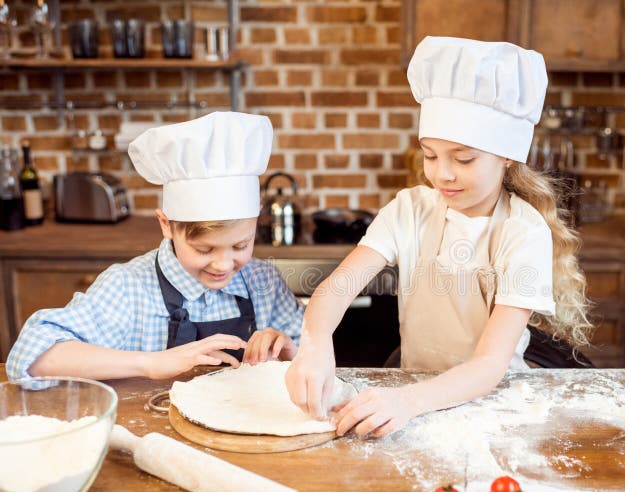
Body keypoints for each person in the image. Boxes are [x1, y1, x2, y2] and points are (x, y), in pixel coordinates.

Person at [286, 36, 592, 437]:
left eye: (463, 159)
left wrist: (407, 402)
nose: (442, 174)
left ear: (506, 157)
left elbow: (489, 365)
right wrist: (315, 342)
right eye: (430, 155)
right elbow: (338, 288)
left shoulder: (523, 233)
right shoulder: (410, 210)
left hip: (490, 403)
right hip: (414, 393)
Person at [6, 112, 304, 383]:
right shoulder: (127, 287)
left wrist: (289, 350)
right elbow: (31, 357)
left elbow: (312, 356)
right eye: (203, 250)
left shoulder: (264, 282)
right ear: (166, 225)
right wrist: (149, 363)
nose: (224, 265)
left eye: (241, 245)